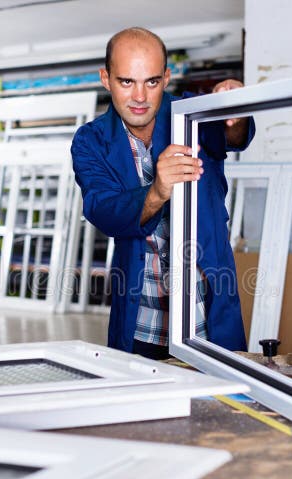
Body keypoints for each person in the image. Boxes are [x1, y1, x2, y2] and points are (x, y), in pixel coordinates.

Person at [71, 27, 253, 360]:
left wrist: (235, 110)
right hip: (141, 321)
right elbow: (102, 209)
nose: (139, 96)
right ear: (105, 78)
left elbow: (235, 135)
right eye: (127, 81)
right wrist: (157, 190)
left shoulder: (193, 115)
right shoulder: (90, 140)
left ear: (166, 78)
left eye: (151, 81)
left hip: (207, 317)